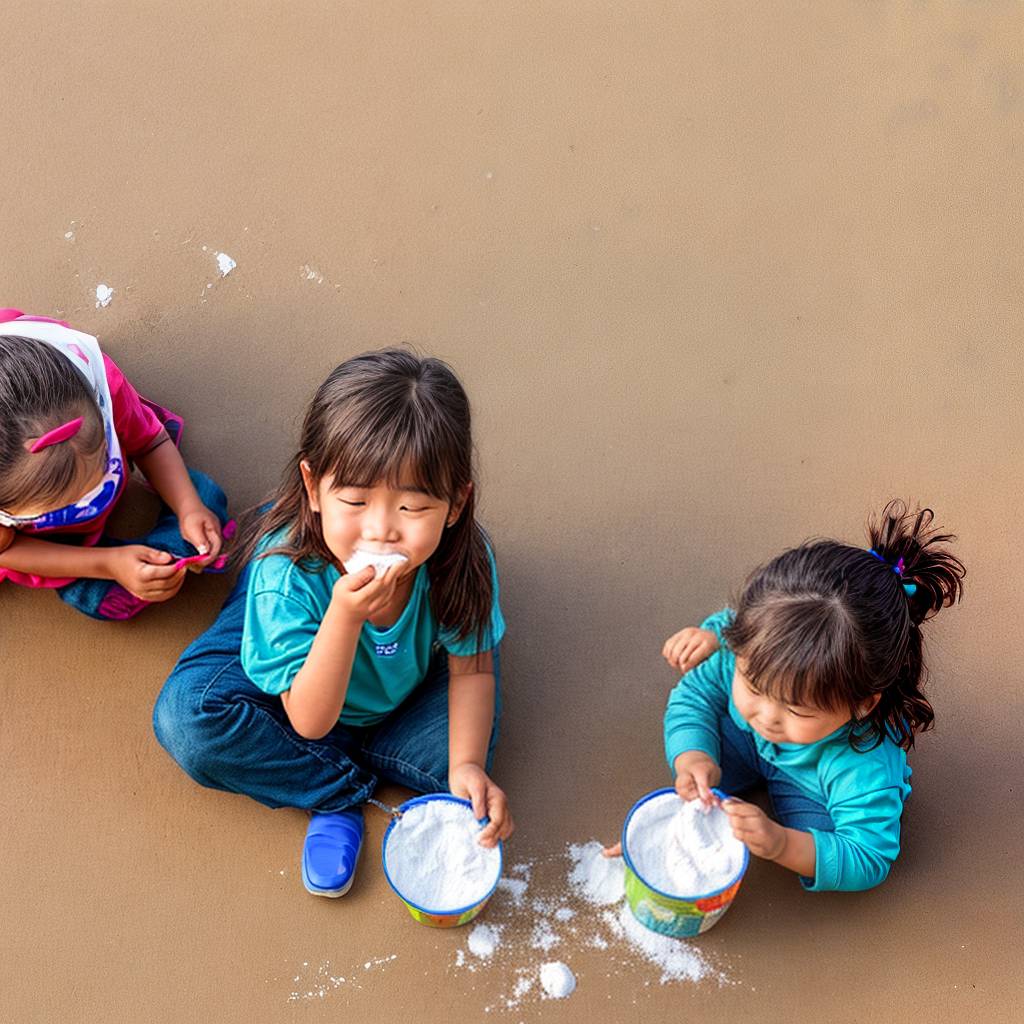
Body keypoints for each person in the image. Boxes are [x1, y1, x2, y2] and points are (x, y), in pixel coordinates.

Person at [153, 348, 513, 898]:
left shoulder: (462, 559)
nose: (382, 530)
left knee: (466, 775)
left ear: (457, 503)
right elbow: (310, 722)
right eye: (354, 500)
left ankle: (321, 767)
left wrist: (464, 766)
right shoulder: (288, 574)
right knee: (190, 721)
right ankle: (336, 791)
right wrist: (344, 616)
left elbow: (472, 671)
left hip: (402, 686)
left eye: (412, 509)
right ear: (314, 486)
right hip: (298, 687)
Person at [606, 501, 965, 892]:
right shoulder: (754, 651)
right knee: (698, 771)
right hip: (743, 740)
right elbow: (694, 696)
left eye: (795, 709)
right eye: (754, 688)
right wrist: (694, 756)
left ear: (863, 704)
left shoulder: (865, 760)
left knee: (823, 846)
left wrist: (781, 844)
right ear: (739, 641)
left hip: (813, 784)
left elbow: (867, 857)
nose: (767, 717)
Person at [0, 310, 230, 619]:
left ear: (99, 410)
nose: (95, 495)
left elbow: (151, 441)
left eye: (103, 465)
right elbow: (6, 550)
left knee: (203, 502)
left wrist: (189, 508)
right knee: (100, 597)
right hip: (47, 541)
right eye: (66, 504)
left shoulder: (99, 386)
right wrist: (108, 564)